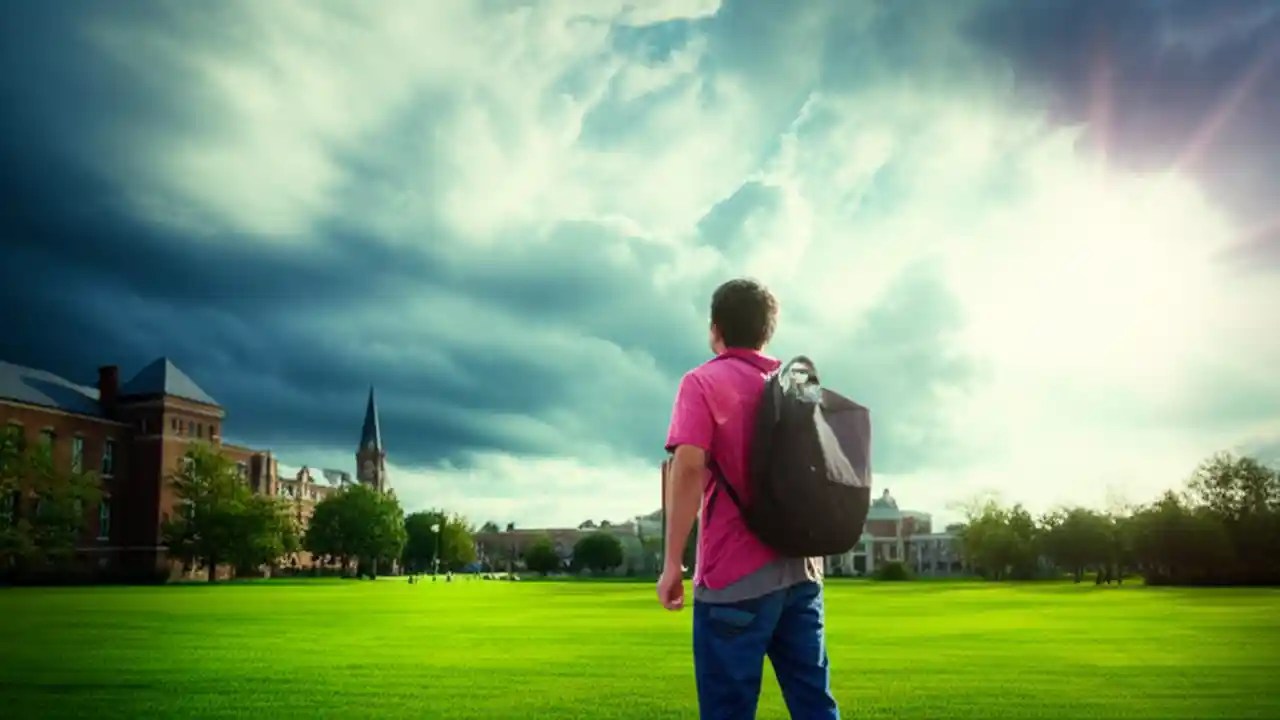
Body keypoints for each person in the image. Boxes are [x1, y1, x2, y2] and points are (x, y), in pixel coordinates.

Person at [659, 278, 839, 720]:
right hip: (801, 570)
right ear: (767, 332)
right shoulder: (795, 386)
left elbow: (688, 467)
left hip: (734, 577)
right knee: (815, 704)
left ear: (715, 329)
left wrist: (670, 563)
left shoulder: (702, 381)